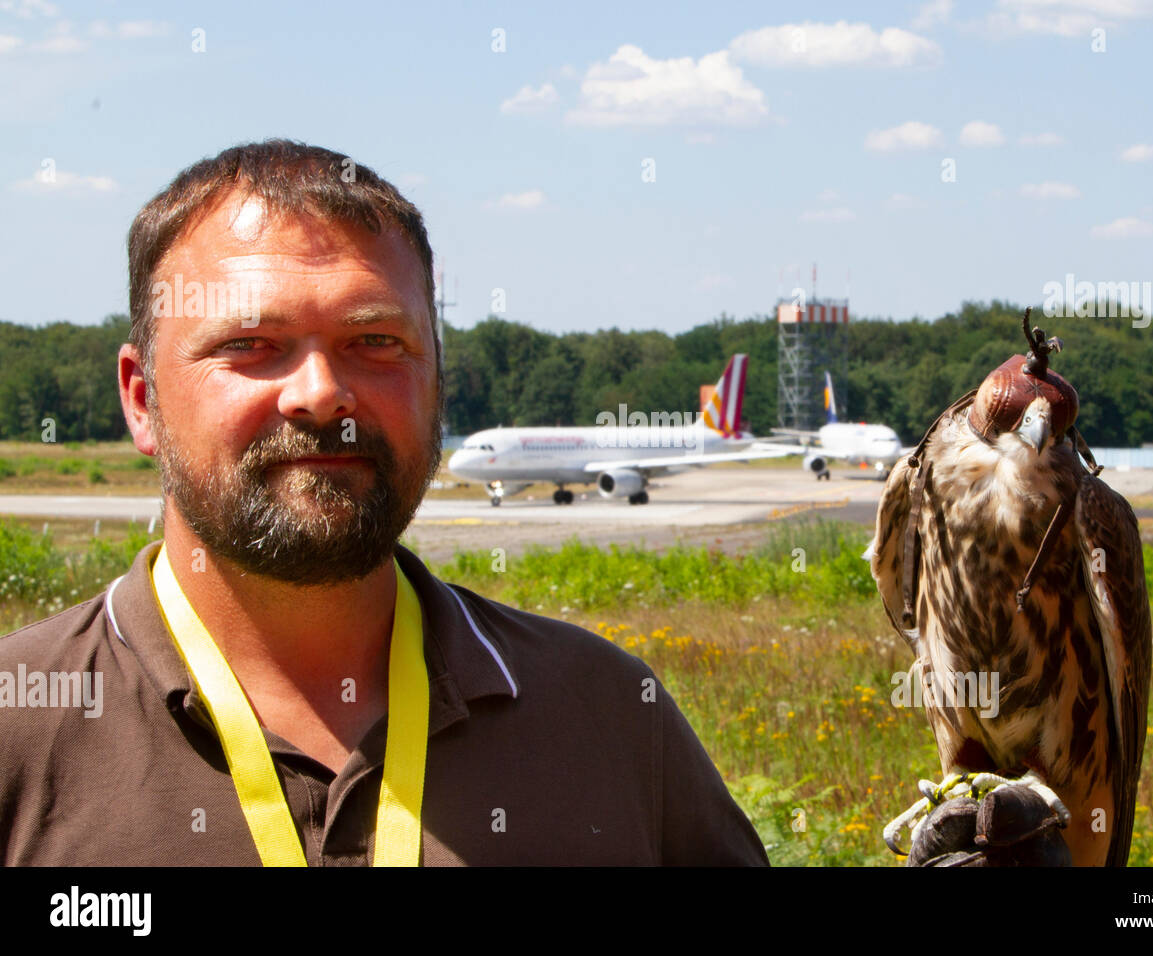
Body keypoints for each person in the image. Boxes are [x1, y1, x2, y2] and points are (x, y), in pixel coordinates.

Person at [0, 139, 769, 866]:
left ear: (437, 381)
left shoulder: (609, 714)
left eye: (375, 343)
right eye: (250, 345)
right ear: (143, 401)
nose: (322, 394)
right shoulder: (20, 728)